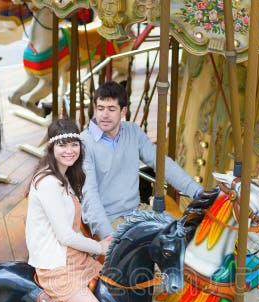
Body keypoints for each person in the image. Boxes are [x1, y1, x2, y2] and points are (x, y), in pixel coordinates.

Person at [25, 118, 112, 302]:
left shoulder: (64, 178)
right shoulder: (48, 182)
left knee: (117, 291)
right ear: (51, 147)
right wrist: (98, 246)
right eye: (62, 144)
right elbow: (64, 235)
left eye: (73, 144)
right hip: (57, 266)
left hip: (76, 258)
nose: (69, 150)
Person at [80, 81, 203, 239]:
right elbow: (89, 194)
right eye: (100, 108)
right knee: (156, 253)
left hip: (137, 211)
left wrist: (196, 191)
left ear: (123, 111)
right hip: (109, 219)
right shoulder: (84, 142)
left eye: (111, 109)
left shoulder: (132, 132)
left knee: (184, 237)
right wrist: (108, 237)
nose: (104, 115)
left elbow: (161, 163)